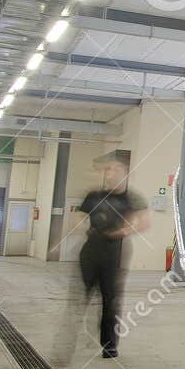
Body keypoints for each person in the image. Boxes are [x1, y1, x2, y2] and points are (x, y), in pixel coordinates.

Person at [74, 151, 150, 358]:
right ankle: (79, 331)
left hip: (114, 252)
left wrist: (125, 231)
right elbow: (79, 218)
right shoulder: (93, 196)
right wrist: (81, 226)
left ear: (125, 172)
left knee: (111, 300)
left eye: (116, 169)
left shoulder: (131, 198)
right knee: (83, 294)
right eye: (109, 169)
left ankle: (109, 346)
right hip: (91, 250)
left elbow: (144, 221)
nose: (111, 173)